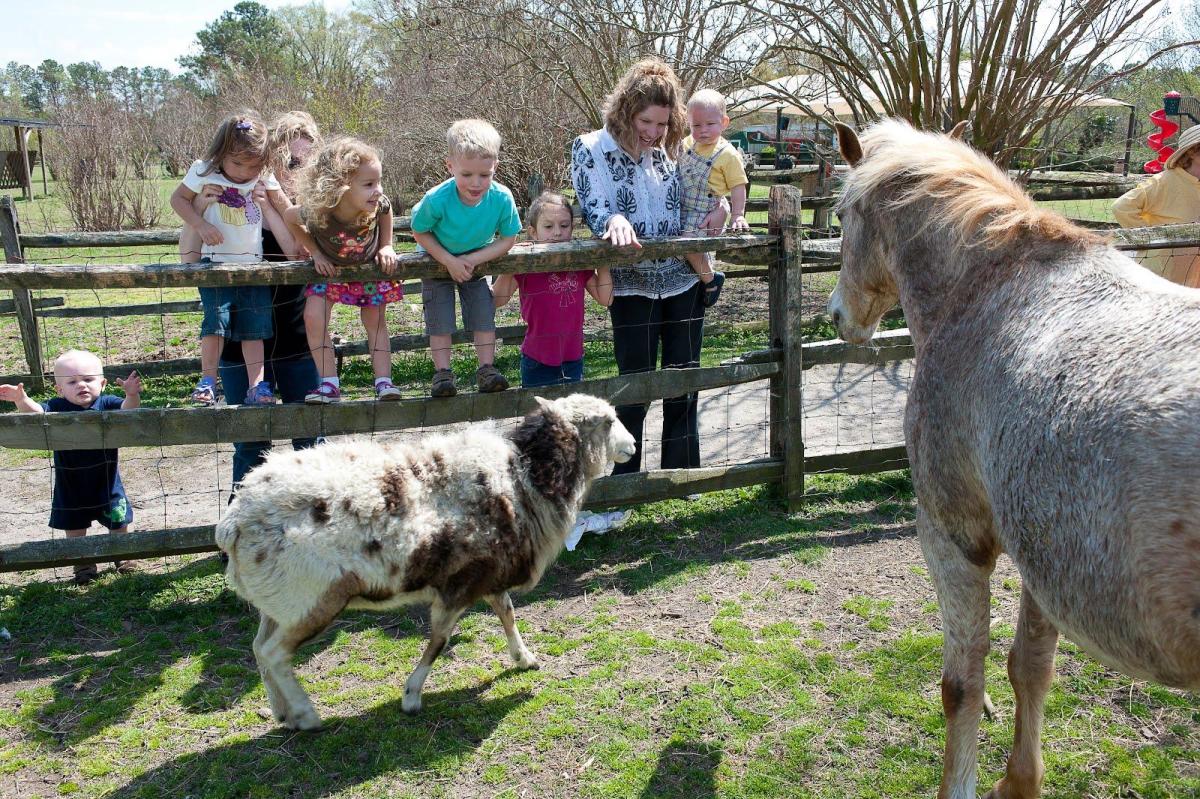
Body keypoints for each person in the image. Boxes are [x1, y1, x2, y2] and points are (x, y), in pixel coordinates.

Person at [570, 57, 725, 474]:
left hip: (682, 281)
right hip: (632, 286)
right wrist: (613, 220)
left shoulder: (672, 148)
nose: (653, 133)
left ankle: (681, 473)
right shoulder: (590, 149)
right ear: (624, 111)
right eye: (646, 122)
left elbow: (700, 193)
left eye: (661, 124)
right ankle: (625, 479)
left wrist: (721, 206)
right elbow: (596, 207)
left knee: (683, 384)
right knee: (634, 386)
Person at [218, 111, 321, 489]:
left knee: (310, 438)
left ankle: (316, 531)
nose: (299, 170)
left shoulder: (310, 209)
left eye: (307, 161)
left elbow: (297, 251)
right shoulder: (230, 204)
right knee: (250, 442)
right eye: (291, 161)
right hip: (238, 340)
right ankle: (239, 538)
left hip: (296, 338)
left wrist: (271, 206)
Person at [169, 111, 290, 406]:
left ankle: (257, 386)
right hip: (214, 263)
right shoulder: (203, 170)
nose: (244, 172)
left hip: (252, 264)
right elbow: (177, 200)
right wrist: (200, 224)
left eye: (253, 165)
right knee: (215, 323)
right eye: (237, 163)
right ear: (221, 152)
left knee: (255, 328)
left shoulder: (263, 176)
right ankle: (208, 380)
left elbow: (286, 208)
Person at [0, 350, 142, 585]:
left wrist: (131, 394)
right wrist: (21, 400)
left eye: (88, 379)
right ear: (59, 389)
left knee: (118, 521)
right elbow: (36, 413)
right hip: (70, 483)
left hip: (105, 480)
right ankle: (83, 564)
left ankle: (124, 555)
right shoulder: (57, 405)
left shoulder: (106, 403)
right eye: (72, 382)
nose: (81, 386)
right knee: (74, 528)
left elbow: (129, 410)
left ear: (103, 383)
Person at [284, 136, 402, 404]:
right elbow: (290, 217)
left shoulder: (376, 204)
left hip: (367, 270)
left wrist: (386, 245)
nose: (378, 190)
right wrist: (315, 252)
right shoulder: (322, 211)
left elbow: (387, 209)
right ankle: (329, 384)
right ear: (341, 186)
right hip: (331, 271)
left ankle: (384, 382)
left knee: (375, 321)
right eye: (369, 184)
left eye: (379, 181)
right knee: (313, 318)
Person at [411, 119, 521, 397]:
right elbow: (420, 231)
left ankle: (487, 368)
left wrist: (474, 259)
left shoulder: (501, 198)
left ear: (495, 165)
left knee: (484, 314)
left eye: (485, 175)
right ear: (450, 166)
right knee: (439, 318)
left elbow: (509, 239)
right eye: (467, 174)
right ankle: (443, 374)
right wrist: (448, 260)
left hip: (476, 260)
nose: (476, 183)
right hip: (437, 259)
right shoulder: (437, 198)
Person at [492, 191, 612, 387]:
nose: (557, 232)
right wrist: (511, 263)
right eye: (548, 227)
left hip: (573, 357)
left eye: (564, 226)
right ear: (533, 231)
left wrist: (603, 259)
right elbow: (497, 299)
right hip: (537, 358)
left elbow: (605, 298)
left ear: (572, 228)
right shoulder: (526, 264)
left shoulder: (578, 262)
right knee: (538, 416)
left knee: (570, 416)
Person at [680, 88, 752, 307]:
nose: (703, 131)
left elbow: (738, 185)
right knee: (680, 248)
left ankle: (711, 279)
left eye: (710, 124)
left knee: (687, 245)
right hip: (684, 206)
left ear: (724, 122)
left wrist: (737, 214)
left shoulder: (727, 154)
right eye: (696, 125)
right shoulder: (686, 144)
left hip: (704, 209)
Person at [1112, 124, 1200, 287]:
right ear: (1192, 152)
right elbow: (1122, 207)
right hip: (1160, 275)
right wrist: (1152, 237)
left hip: (1192, 277)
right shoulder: (1163, 182)